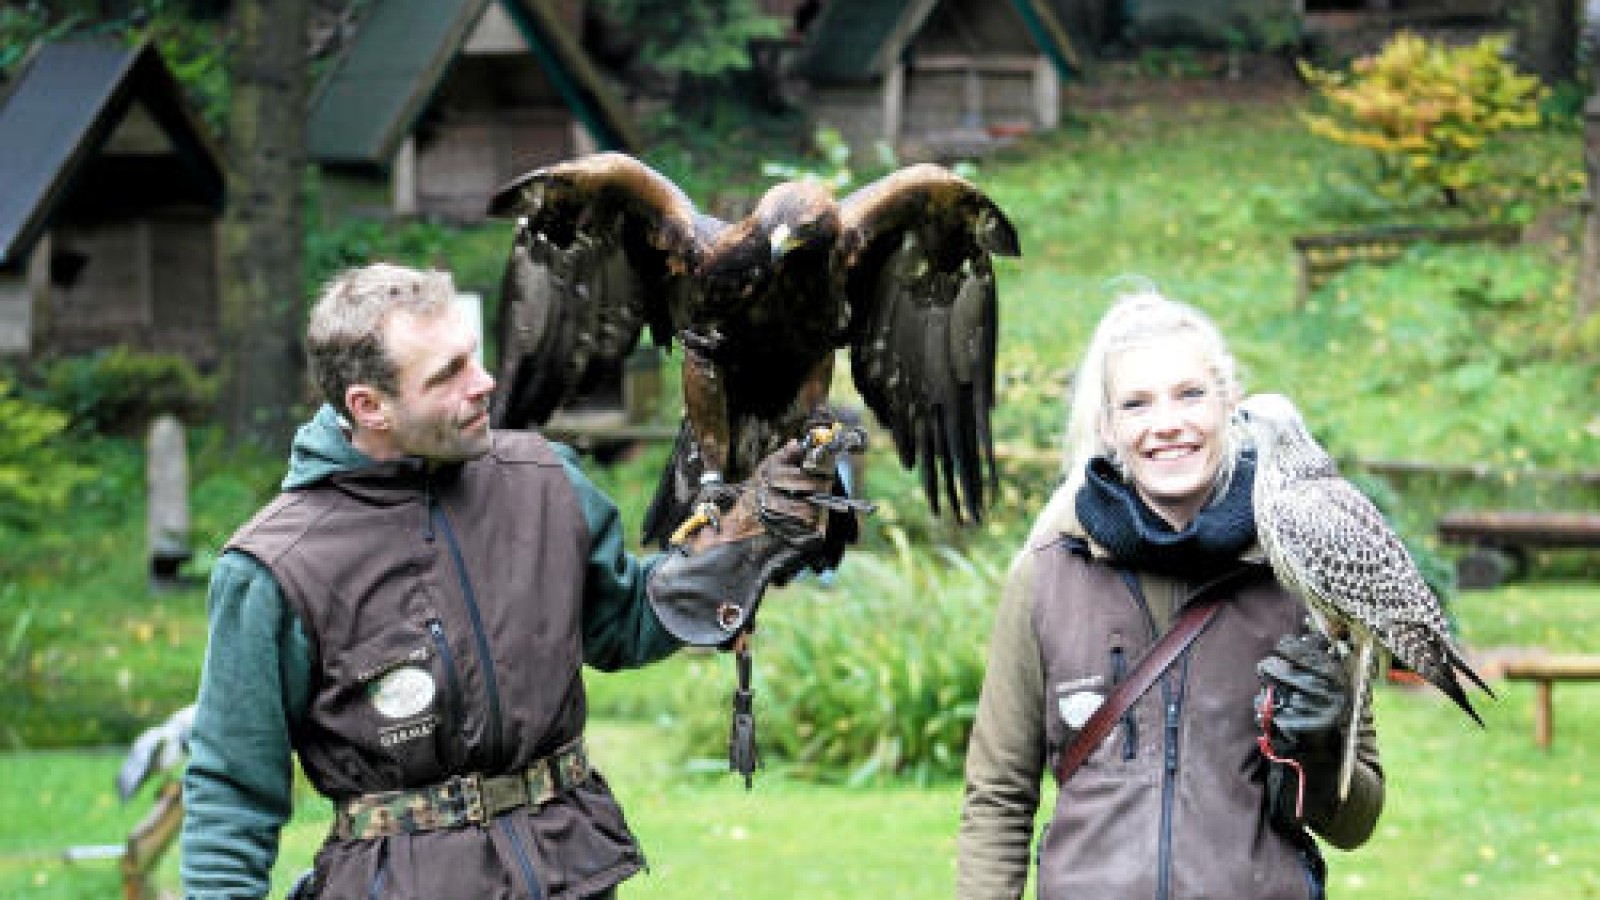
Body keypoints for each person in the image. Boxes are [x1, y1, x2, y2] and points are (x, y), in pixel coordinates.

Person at [180, 262, 840, 899]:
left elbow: (626, 623)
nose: (486, 381)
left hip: (569, 870)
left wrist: (746, 543)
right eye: (448, 375)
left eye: (473, 355)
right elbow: (231, 790)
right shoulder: (277, 566)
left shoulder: (543, 480)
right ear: (369, 406)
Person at [957, 289, 1383, 899]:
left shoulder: (1301, 579)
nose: (1167, 424)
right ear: (1108, 427)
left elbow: (1355, 822)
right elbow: (998, 795)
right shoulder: (1048, 577)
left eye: (1190, 395)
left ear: (1230, 405)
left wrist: (1317, 749)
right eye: (1136, 404)